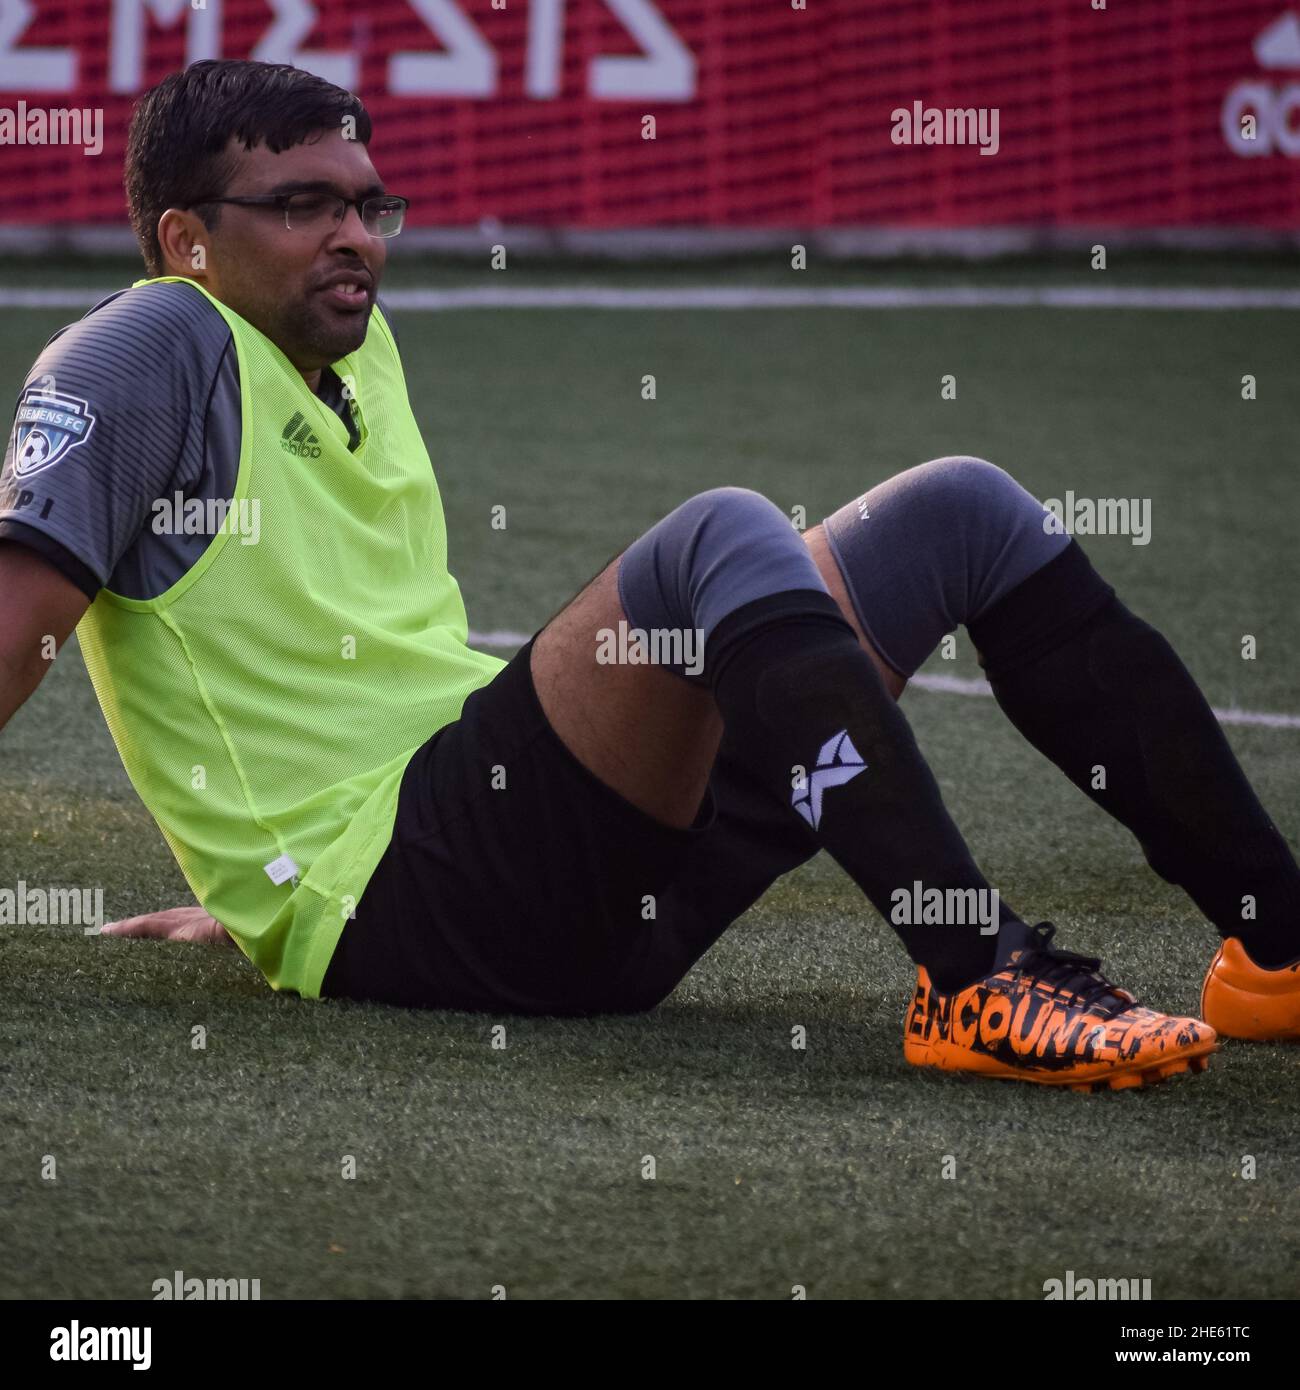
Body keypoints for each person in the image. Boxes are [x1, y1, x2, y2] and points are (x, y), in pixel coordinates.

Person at [2, 61, 1295, 1094]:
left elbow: (308, 653)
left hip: (532, 864)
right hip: (415, 891)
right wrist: (292, 887)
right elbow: (19, 630)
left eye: (366, 204)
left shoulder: (355, 347)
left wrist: (247, 890)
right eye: (304, 207)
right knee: (716, 539)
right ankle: (979, 977)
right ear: (184, 237)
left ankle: (1273, 945)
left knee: (960, 511)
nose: (354, 236)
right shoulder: (145, 345)